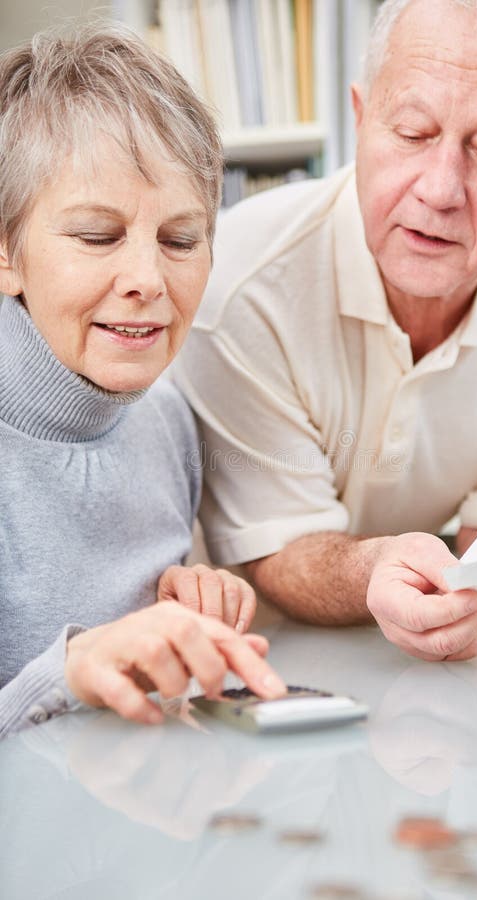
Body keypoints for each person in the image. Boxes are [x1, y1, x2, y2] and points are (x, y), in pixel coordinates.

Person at [172, 0, 477, 662]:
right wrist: (381, 569)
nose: (440, 190)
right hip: (246, 657)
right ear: (361, 116)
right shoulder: (237, 288)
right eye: (411, 132)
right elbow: (281, 552)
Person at [0, 23, 286, 739]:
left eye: (180, 240)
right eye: (97, 236)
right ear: (7, 252)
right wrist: (68, 671)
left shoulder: (168, 420)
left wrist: (187, 602)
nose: (148, 280)